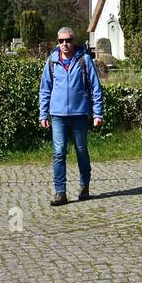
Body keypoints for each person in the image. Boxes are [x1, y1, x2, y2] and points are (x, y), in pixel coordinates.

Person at [38, 27, 104, 207]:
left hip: (79, 115)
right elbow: (45, 89)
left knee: (81, 151)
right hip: (58, 115)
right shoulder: (51, 61)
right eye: (61, 41)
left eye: (67, 41)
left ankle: (84, 186)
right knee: (59, 153)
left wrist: (98, 113)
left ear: (73, 41)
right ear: (57, 42)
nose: (64, 44)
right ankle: (61, 192)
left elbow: (95, 88)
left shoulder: (84, 60)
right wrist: (43, 113)